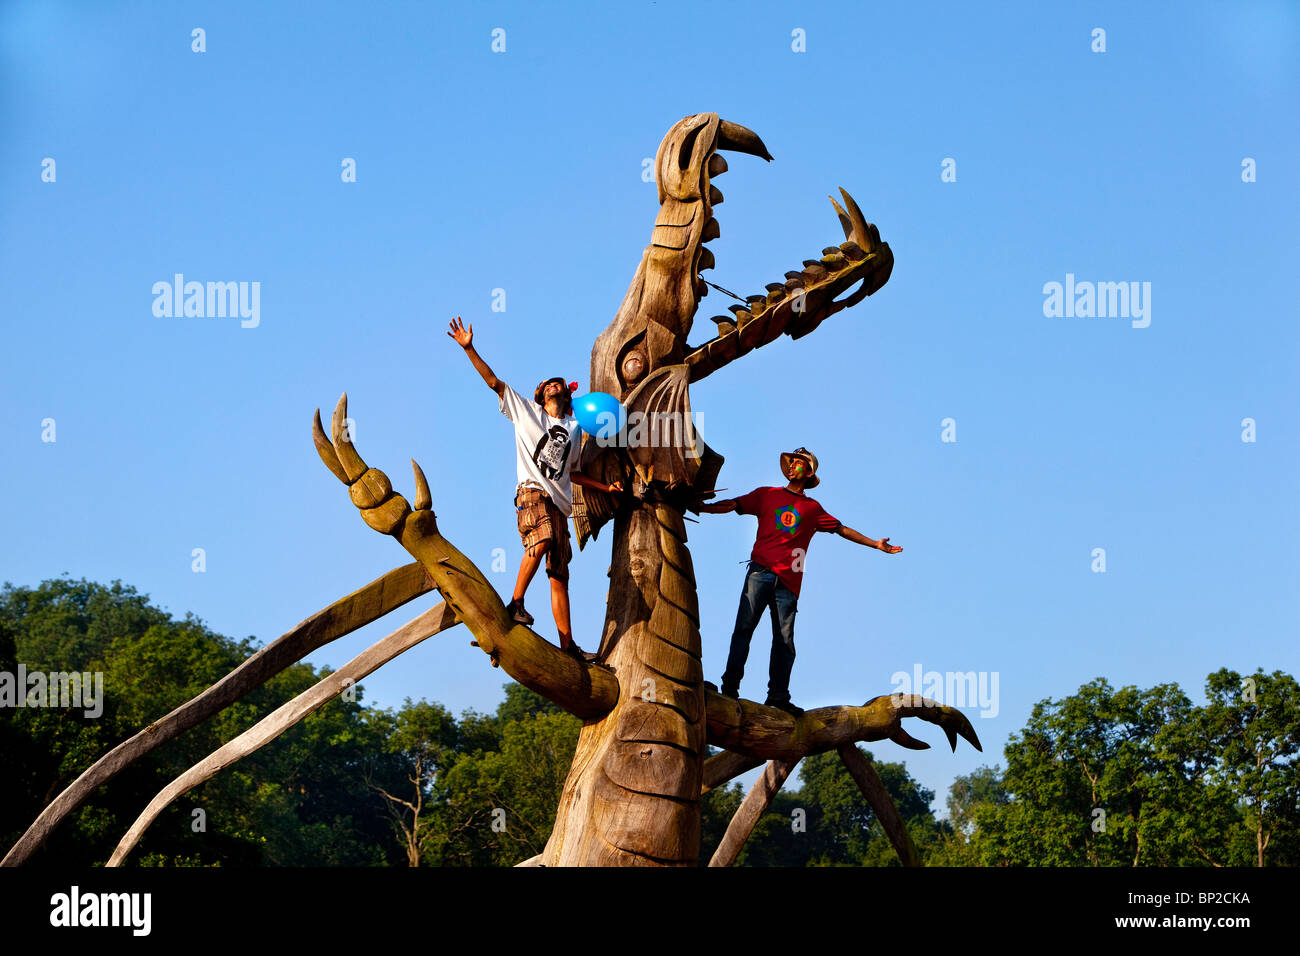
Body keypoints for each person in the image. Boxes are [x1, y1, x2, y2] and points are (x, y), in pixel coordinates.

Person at [447, 317, 621, 661]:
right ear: (540, 394)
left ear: (567, 394)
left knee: (559, 576)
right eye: (549, 384)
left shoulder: (573, 428)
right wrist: (469, 348)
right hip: (532, 494)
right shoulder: (526, 411)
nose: (555, 385)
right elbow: (494, 382)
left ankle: (568, 646)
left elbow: (572, 473)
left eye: (560, 384)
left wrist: (605, 486)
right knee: (538, 541)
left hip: (560, 505)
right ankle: (516, 603)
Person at [696, 447, 903, 715]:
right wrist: (705, 508)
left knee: (784, 640)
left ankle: (778, 697)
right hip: (760, 573)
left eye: (798, 463)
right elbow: (734, 504)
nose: (793, 466)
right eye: (791, 462)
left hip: (789, 584)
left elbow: (842, 529)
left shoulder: (812, 509)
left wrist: (875, 544)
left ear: (808, 473)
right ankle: (730, 688)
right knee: (744, 628)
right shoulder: (766, 495)